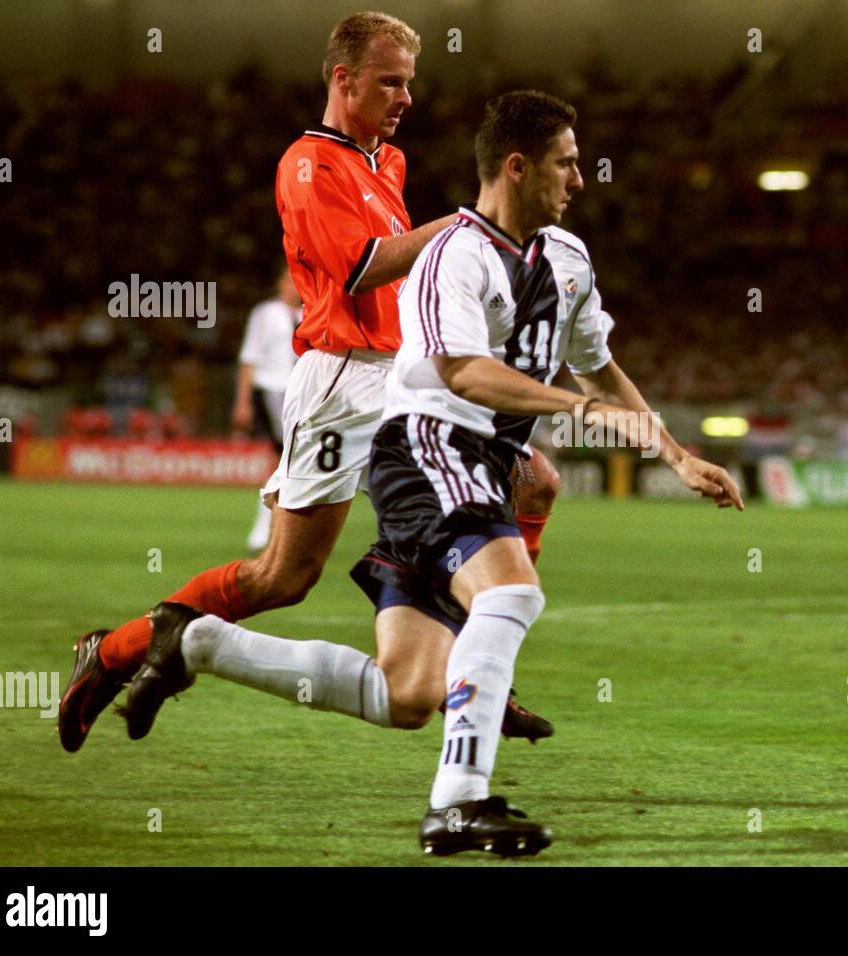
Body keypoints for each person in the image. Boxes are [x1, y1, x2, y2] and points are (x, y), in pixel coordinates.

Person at [119, 90, 744, 858]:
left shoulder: (570, 259)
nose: (580, 180)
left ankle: (197, 645)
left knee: (407, 694)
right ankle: (458, 804)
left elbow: (600, 368)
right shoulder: (453, 256)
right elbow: (462, 371)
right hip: (429, 447)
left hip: (483, 461)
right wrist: (579, 413)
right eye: (566, 164)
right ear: (517, 168)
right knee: (511, 591)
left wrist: (676, 454)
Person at [58, 12, 556, 753]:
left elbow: (408, 271)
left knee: (532, 480)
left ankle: (481, 669)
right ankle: (115, 653)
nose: (405, 97)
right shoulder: (307, 164)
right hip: (343, 383)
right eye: (390, 82)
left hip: (401, 378)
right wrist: (466, 226)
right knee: (282, 577)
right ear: (342, 79)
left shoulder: (387, 162)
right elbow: (361, 267)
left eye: (410, 83)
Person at [232, 263, 302, 552]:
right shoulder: (264, 313)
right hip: (272, 389)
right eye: (289, 280)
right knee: (287, 455)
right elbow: (250, 357)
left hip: (302, 392)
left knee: (290, 458)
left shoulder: (312, 313)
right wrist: (243, 401)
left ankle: (277, 525)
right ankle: (267, 523)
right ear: (280, 283)